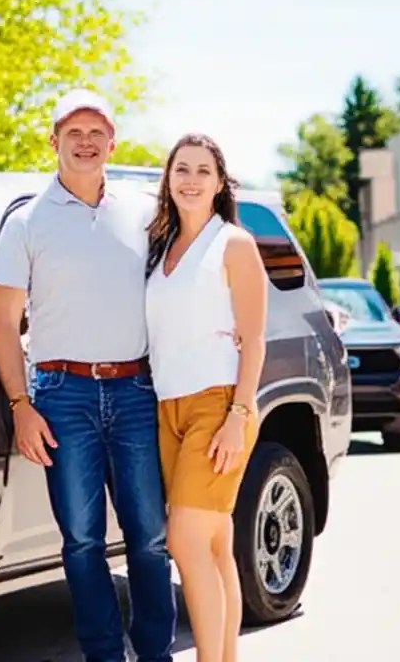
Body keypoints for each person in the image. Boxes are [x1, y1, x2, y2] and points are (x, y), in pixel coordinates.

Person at [0, 89, 176, 662]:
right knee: (83, 540)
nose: (87, 142)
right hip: (62, 397)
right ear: (54, 142)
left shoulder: (144, 213)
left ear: (112, 142)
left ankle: (155, 653)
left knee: (149, 538)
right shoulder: (26, 222)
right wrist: (21, 405)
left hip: (135, 391)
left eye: (97, 133)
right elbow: (3, 322)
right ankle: (102, 655)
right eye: (75, 133)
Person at [144, 133, 266, 662]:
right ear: (168, 182)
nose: (190, 180)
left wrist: (237, 416)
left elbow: (256, 337)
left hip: (217, 406)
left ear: (220, 184)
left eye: (202, 171)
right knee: (214, 545)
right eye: (180, 170)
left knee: (185, 544)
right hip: (166, 406)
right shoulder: (162, 248)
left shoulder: (233, 243)